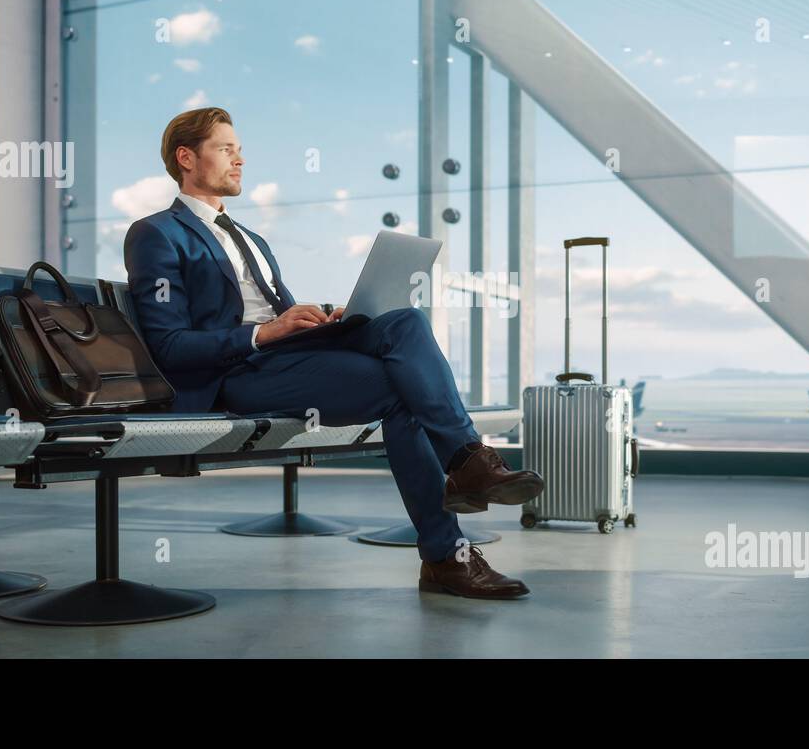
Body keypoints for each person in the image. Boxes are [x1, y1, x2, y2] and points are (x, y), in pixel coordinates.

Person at [123, 107, 545, 599]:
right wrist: (264, 334)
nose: (240, 160)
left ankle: (465, 479)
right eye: (226, 149)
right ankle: (453, 529)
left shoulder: (250, 240)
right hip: (237, 374)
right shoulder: (156, 233)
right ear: (185, 158)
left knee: (404, 321)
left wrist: (324, 320)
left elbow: (277, 312)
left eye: (239, 150)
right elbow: (168, 347)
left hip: (288, 354)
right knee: (402, 390)